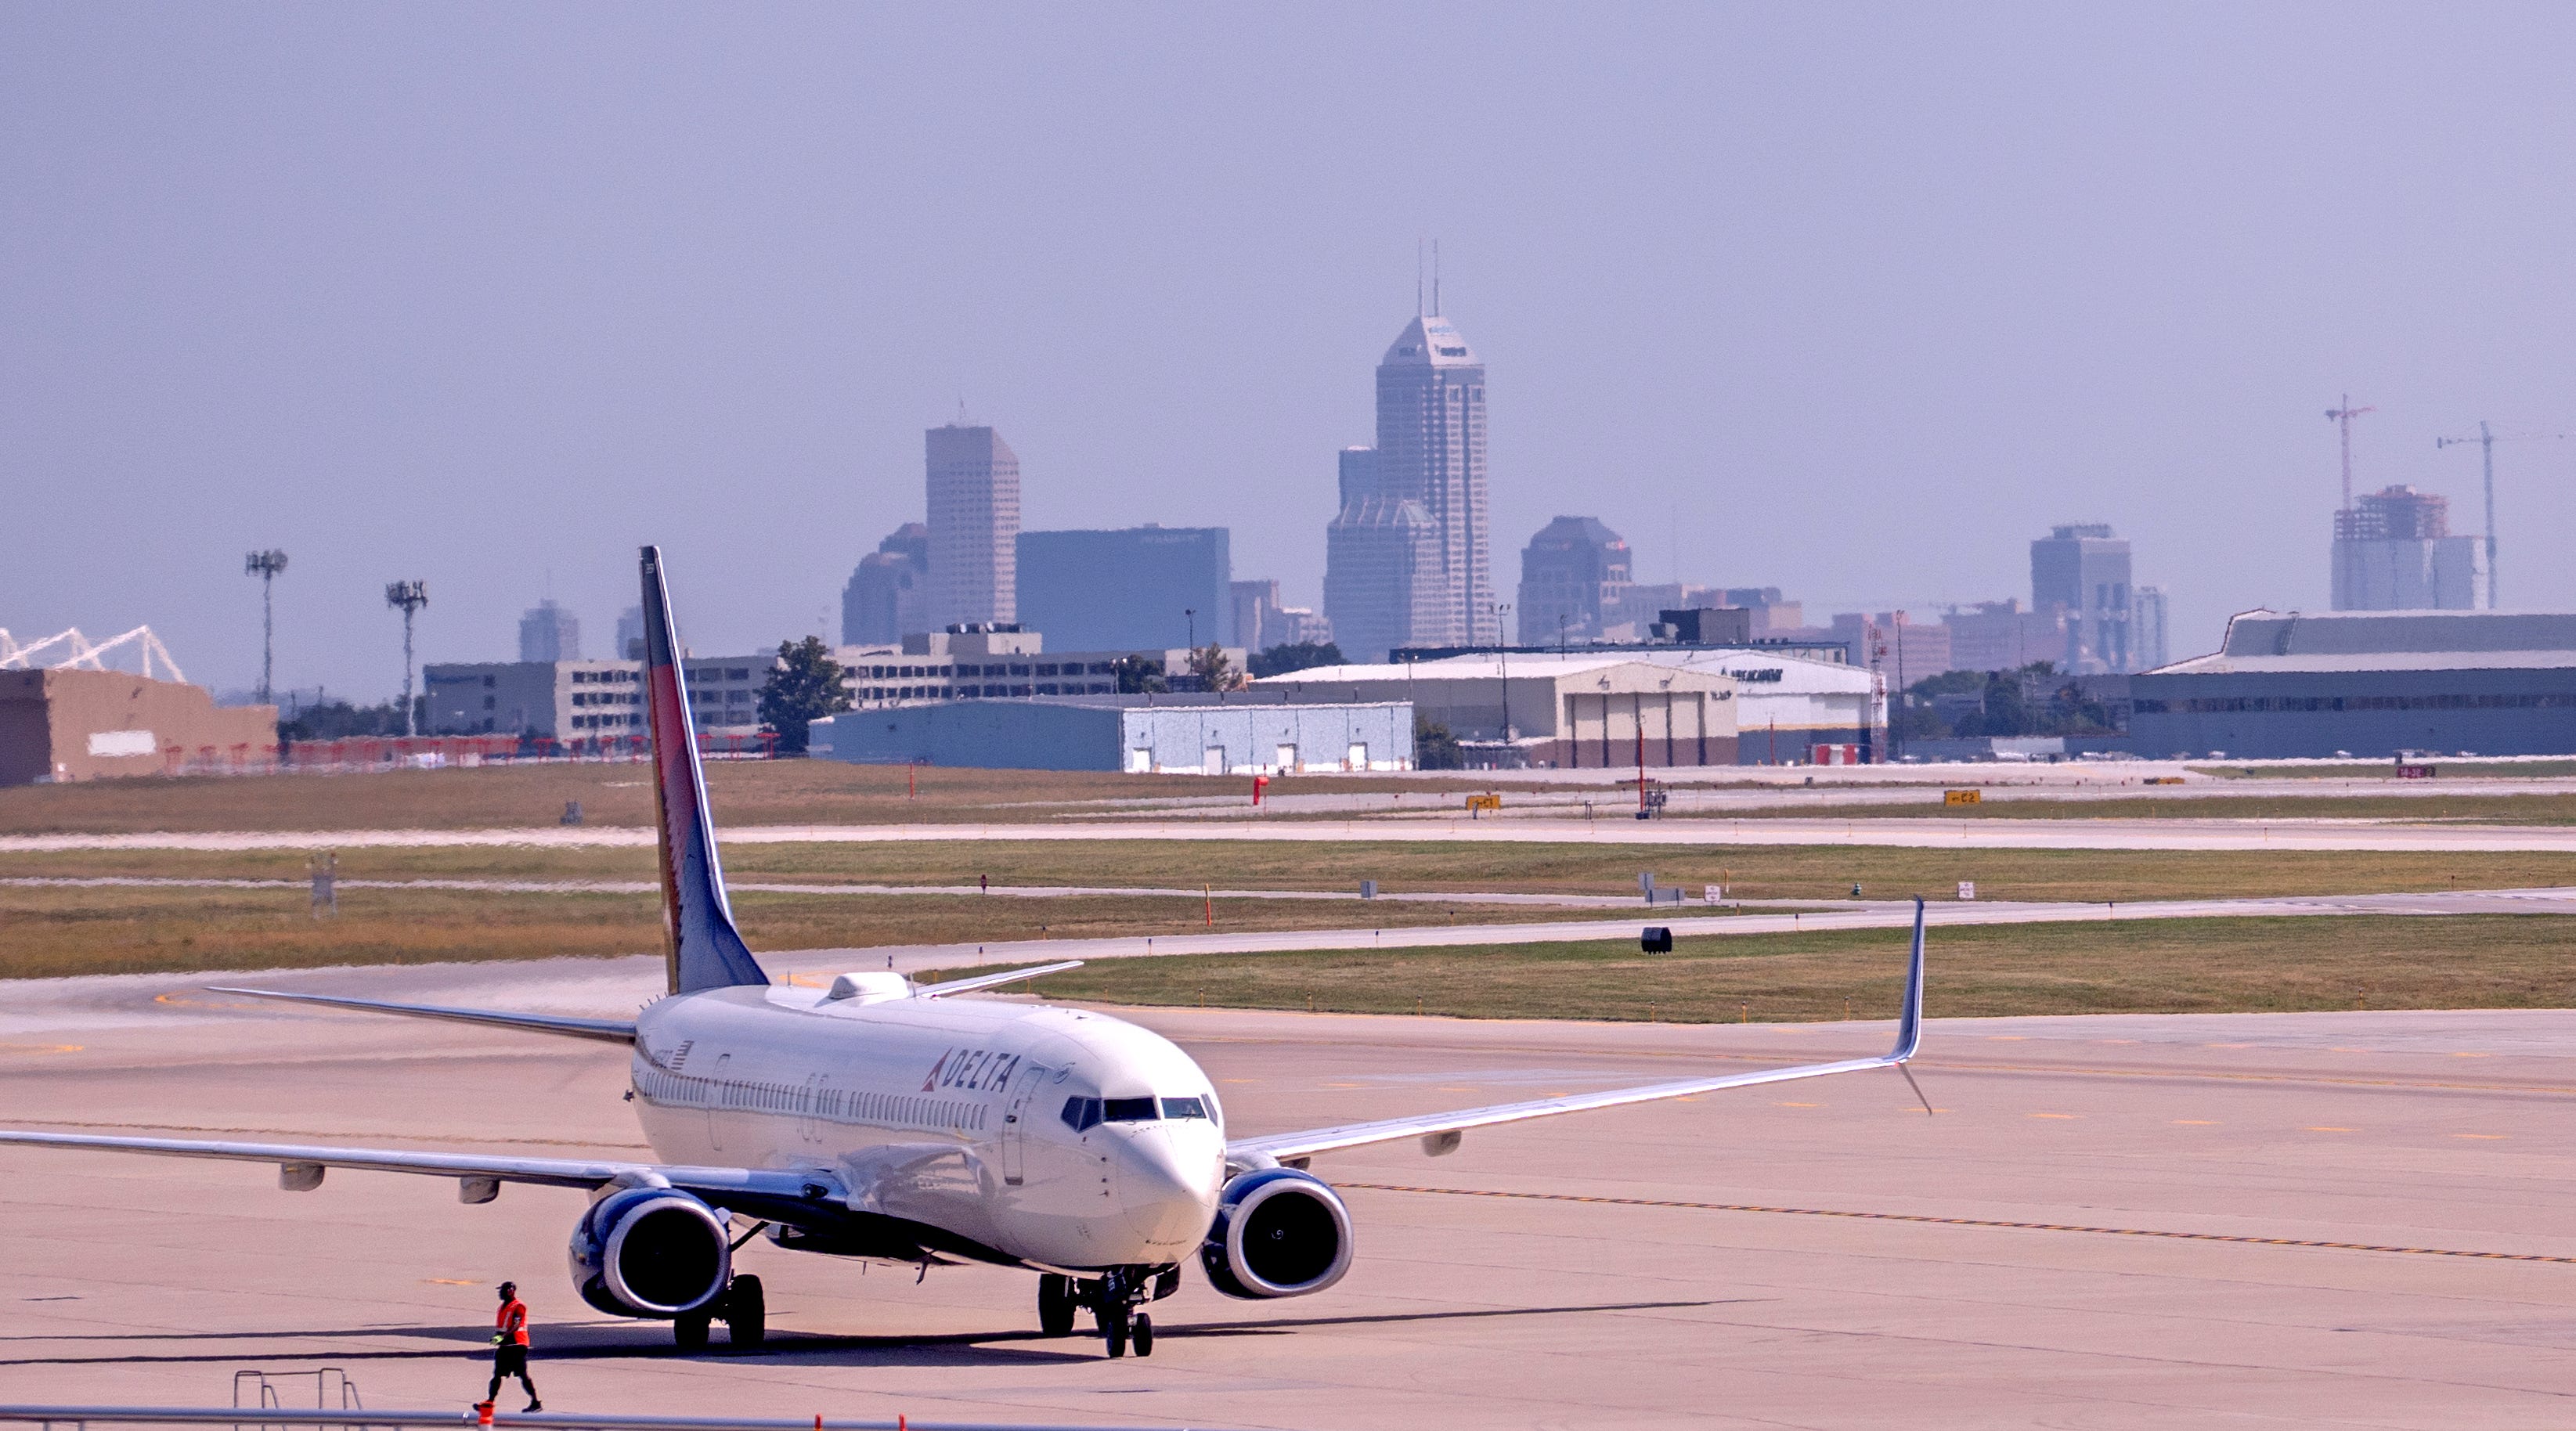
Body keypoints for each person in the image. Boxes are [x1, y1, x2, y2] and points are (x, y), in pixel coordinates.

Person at [485, 1281, 542, 1411]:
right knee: (497, 1375)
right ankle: (489, 1402)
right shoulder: (502, 1307)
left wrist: (500, 1337)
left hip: (517, 1346)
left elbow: (515, 1325)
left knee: (522, 1375)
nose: (500, 1293)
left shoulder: (519, 1306)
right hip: (505, 1346)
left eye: (503, 1290)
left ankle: (535, 1402)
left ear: (511, 1291)